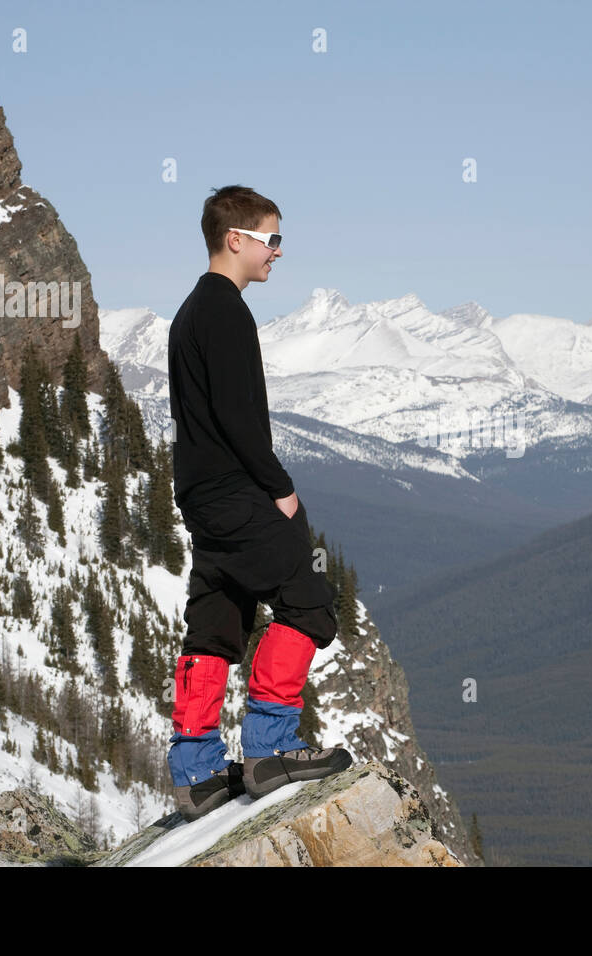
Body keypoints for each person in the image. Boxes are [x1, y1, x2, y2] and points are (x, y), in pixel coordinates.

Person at [165, 184, 351, 820]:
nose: (278, 252)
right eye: (271, 239)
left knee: (217, 620)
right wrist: (280, 487)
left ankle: (196, 772)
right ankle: (270, 751)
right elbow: (240, 417)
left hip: (200, 496)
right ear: (235, 239)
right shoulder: (225, 311)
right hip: (238, 492)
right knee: (309, 604)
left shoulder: (192, 310)